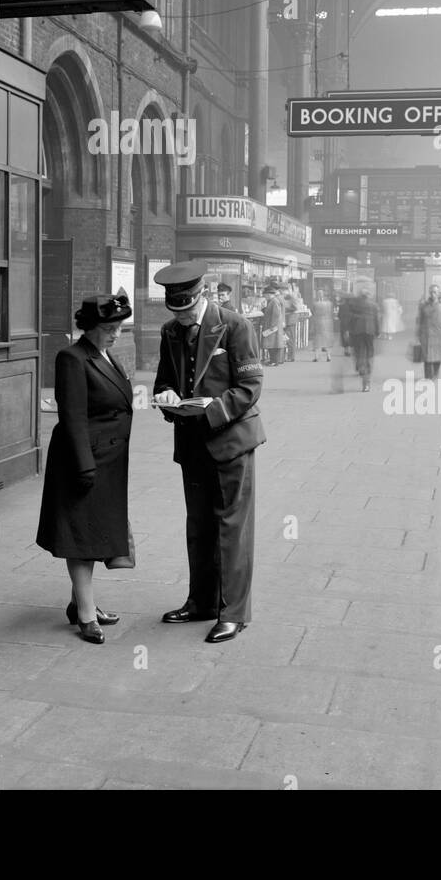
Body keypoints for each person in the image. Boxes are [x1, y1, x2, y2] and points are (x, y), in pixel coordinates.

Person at [152, 262, 265, 644]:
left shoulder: (235, 326)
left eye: (185, 311)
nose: (180, 319)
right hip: (191, 444)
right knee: (198, 526)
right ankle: (200, 601)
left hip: (231, 442)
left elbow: (250, 385)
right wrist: (167, 397)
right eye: (175, 312)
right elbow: (164, 379)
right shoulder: (170, 331)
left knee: (232, 528)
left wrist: (211, 410)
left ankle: (233, 612)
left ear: (201, 295)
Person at [35, 291, 134, 645]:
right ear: (89, 327)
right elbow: (73, 416)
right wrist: (84, 467)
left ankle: (80, 603)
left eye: (118, 327)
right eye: (109, 327)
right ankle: (86, 615)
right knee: (80, 538)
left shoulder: (104, 355)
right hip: (83, 461)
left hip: (107, 461)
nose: (115, 334)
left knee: (92, 533)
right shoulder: (71, 358)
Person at [415, 284, 441, 379]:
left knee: (437, 356)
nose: (432, 294)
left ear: (438, 293)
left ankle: (435, 374)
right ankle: (428, 376)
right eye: (431, 292)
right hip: (426, 334)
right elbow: (420, 320)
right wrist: (418, 334)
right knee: (426, 357)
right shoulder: (423, 305)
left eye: (435, 292)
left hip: (439, 334)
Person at [349, 283, 380, 392]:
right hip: (370, 332)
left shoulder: (354, 304)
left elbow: (351, 319)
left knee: (359, 352)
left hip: (357, 332)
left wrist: (350, 331)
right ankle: (367, 373)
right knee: (369, 353)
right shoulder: (374, 305)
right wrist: (377, 331)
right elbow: (376, 319)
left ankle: (361, 366)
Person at [260, 284, 286, 366]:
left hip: (273, 327)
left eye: (265, 295)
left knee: (273, 345)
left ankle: (274, 361)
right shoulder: (272, 301)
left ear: (268, 294)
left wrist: (272, 326)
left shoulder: (274, 301)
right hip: (273, 327)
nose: (265, 297)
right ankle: (273, 360)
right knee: (272, 345)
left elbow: (276, 314)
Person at [311, 289, 333, 362]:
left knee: (317, 340)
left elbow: (313, 312)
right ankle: (328, 356)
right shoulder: (329, 304)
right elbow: (330, 313)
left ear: (317, 295)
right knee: (326, 341)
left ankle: (317, 357)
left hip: (318, 322)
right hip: (327, 323)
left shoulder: (315, 304)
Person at [338, 291, 355, 356]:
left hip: (343, 324)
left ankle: (346, 351)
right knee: (351, 337)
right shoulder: (353, 306)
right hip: (351, 324)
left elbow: (339, 315)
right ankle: (351, 350)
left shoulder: (341, 306)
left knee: (344, 337)